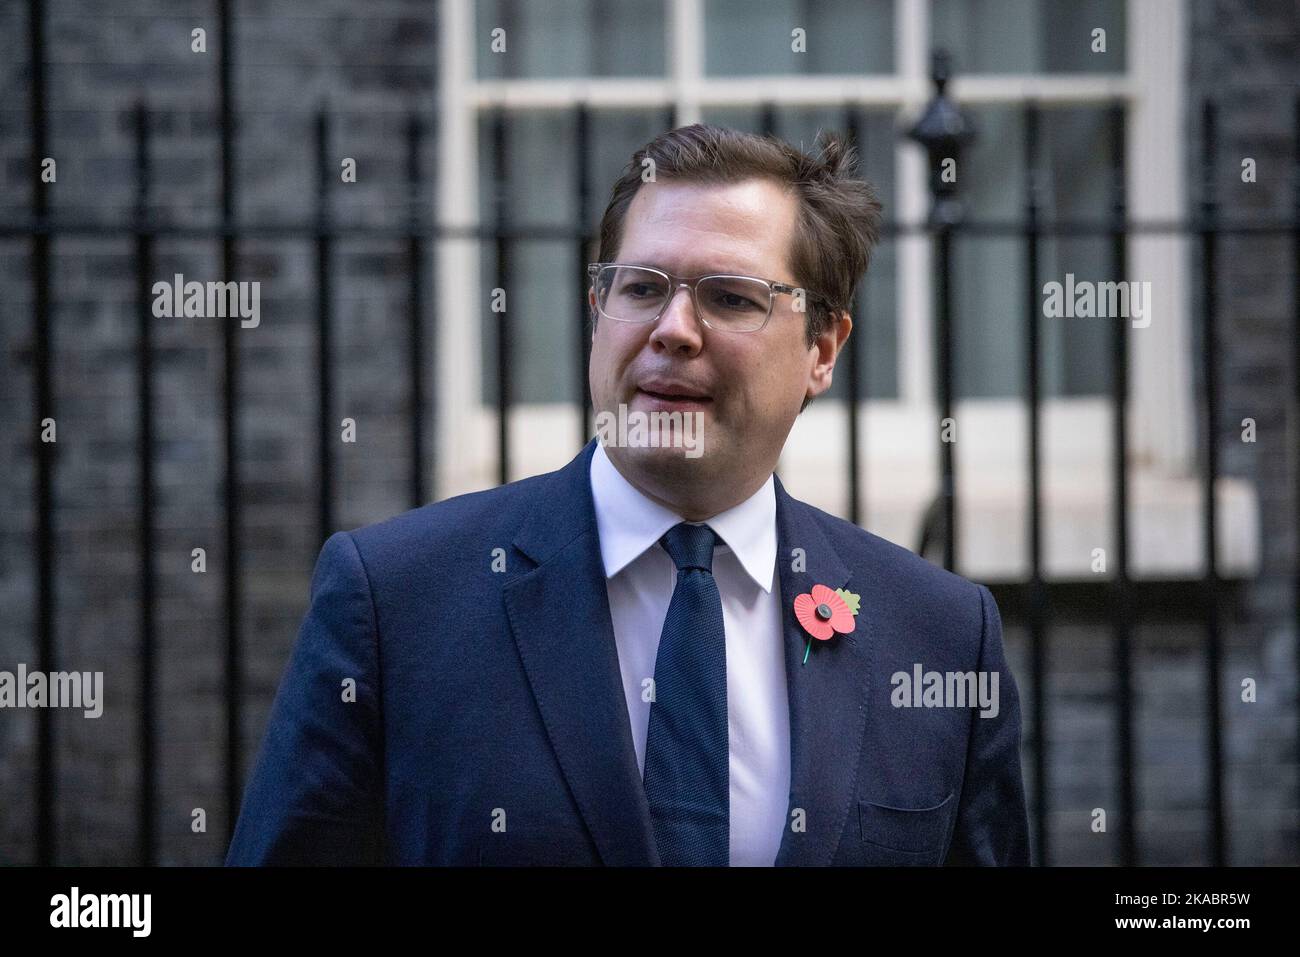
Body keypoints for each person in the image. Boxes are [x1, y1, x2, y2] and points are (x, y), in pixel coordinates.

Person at [225, 123, 1030, 867]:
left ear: (823, 347)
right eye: (641, 288)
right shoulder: (395, 603)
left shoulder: (942, 637)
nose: (674, 327)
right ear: (597, 313)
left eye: (730, 297)